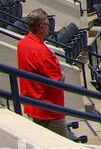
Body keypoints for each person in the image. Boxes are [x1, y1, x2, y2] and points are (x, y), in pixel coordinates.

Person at [16, 9, 70, 139]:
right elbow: (58, 81)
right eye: (47, 24)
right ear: (40, 26)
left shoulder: (23, 43)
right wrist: (62, 75)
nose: (49, 26)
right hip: (49, 110)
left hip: (32, 105)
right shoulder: (42, 51)